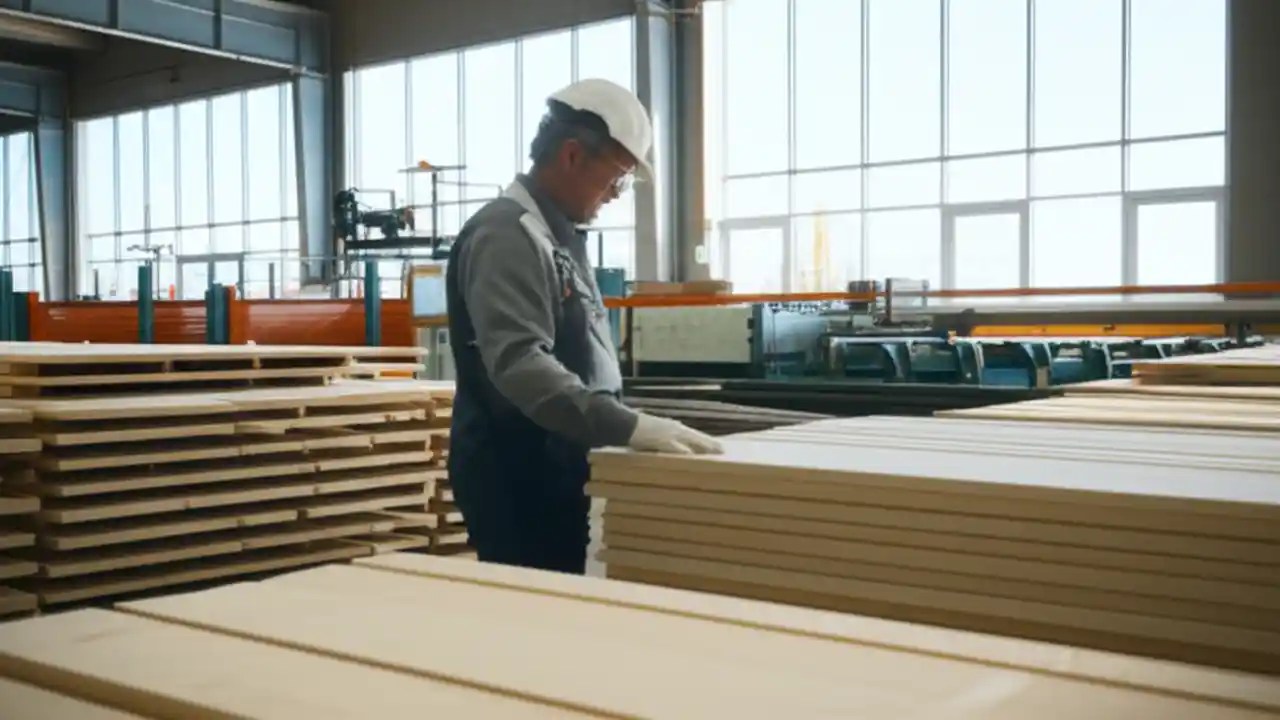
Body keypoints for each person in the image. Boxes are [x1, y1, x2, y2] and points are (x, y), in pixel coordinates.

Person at [445, 78, 723, 575]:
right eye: (615, 179)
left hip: (557, 464)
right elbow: (520, 363)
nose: (616, 195)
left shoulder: (557, 232)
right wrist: (628, 426)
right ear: (572, 156)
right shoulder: (507, 235)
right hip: (518, 477)